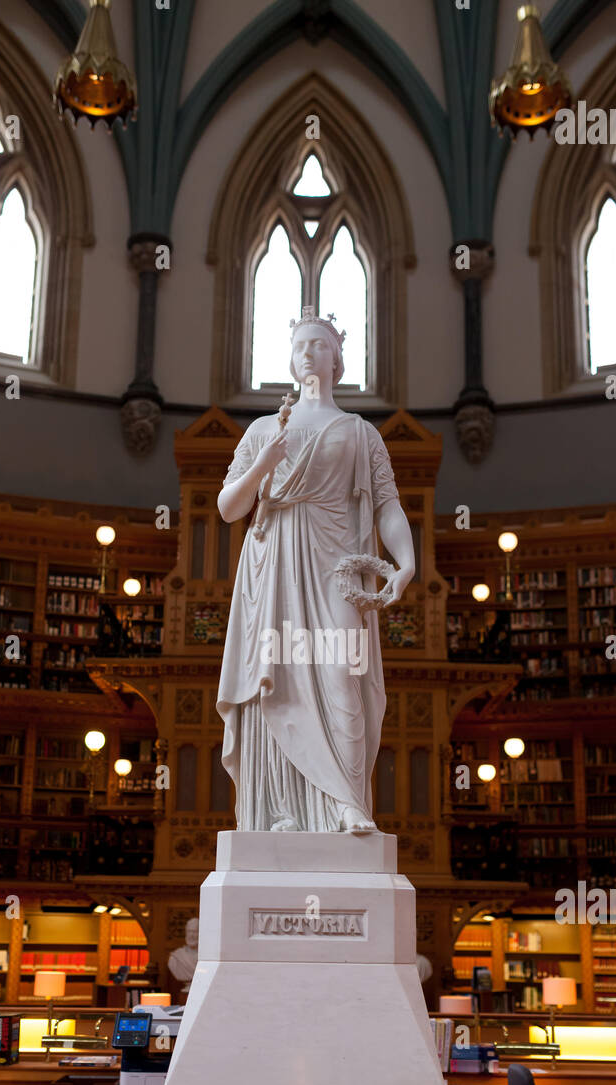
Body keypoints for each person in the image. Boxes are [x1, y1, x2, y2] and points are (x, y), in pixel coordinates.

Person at [216, 307, 415, 834]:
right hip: (275, 564)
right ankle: (282, 811)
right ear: (289, 359)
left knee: (340, 673)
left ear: (336, 359)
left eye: (319, 344)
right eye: (301, 344)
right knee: (276, 676)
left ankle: (347, 802)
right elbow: (228, 507)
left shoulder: (360, 432)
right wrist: (263, 463)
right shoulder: (263, 429)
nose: (309, 352)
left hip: (339, 566)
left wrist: (407, 561)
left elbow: (388, 505)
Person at [168, 917, 198, 994]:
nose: (191, 935)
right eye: (189, 931)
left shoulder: (207, 959)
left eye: (195, 932)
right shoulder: (175, 959)